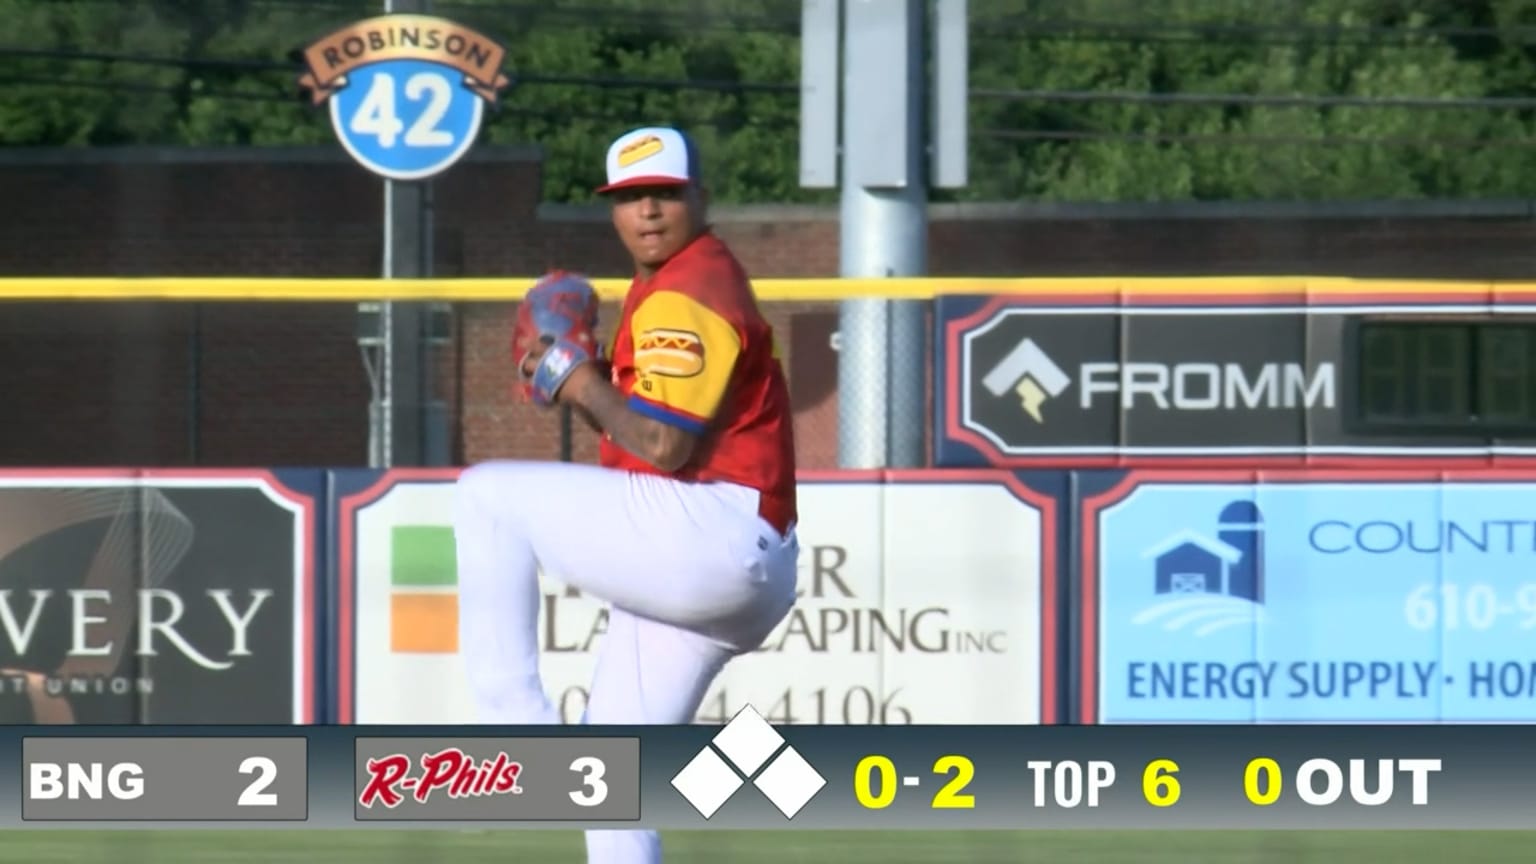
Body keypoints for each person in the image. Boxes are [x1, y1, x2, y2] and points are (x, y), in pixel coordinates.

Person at [452, 125, 801, 864]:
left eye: (665, 193)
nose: (647, 210)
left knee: (486, 498)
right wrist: (593, 373)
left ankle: (515, 731)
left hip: (711, 526)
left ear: (700, 198)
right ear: (612, 212)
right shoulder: (673, 283)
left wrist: (575, 378)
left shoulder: (688, 290)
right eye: (630, 197)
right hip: (732, 556)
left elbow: (663, 445)